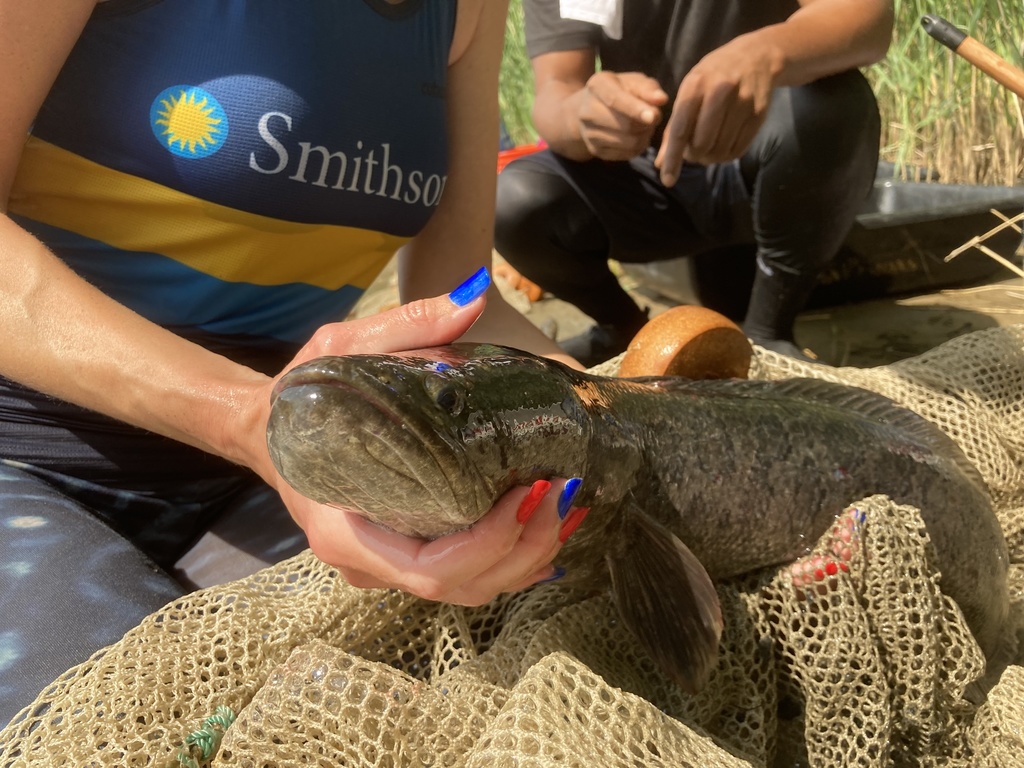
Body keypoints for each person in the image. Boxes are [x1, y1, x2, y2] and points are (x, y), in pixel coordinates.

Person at [0, 0, 587, 724]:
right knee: (132, 726)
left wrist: (634, 414)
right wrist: (243, 415)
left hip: (272, 465)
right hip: (25, 456)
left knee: (438, 698)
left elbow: (461, 302)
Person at [494, 0, 894, 366]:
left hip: (771, 169)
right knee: (513, 199)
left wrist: (765, 51)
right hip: (649, 174)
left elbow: (868, 18)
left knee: (833, 105)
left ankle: (768, 334)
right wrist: (584, 116)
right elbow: (556, 91)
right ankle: (628, 332)